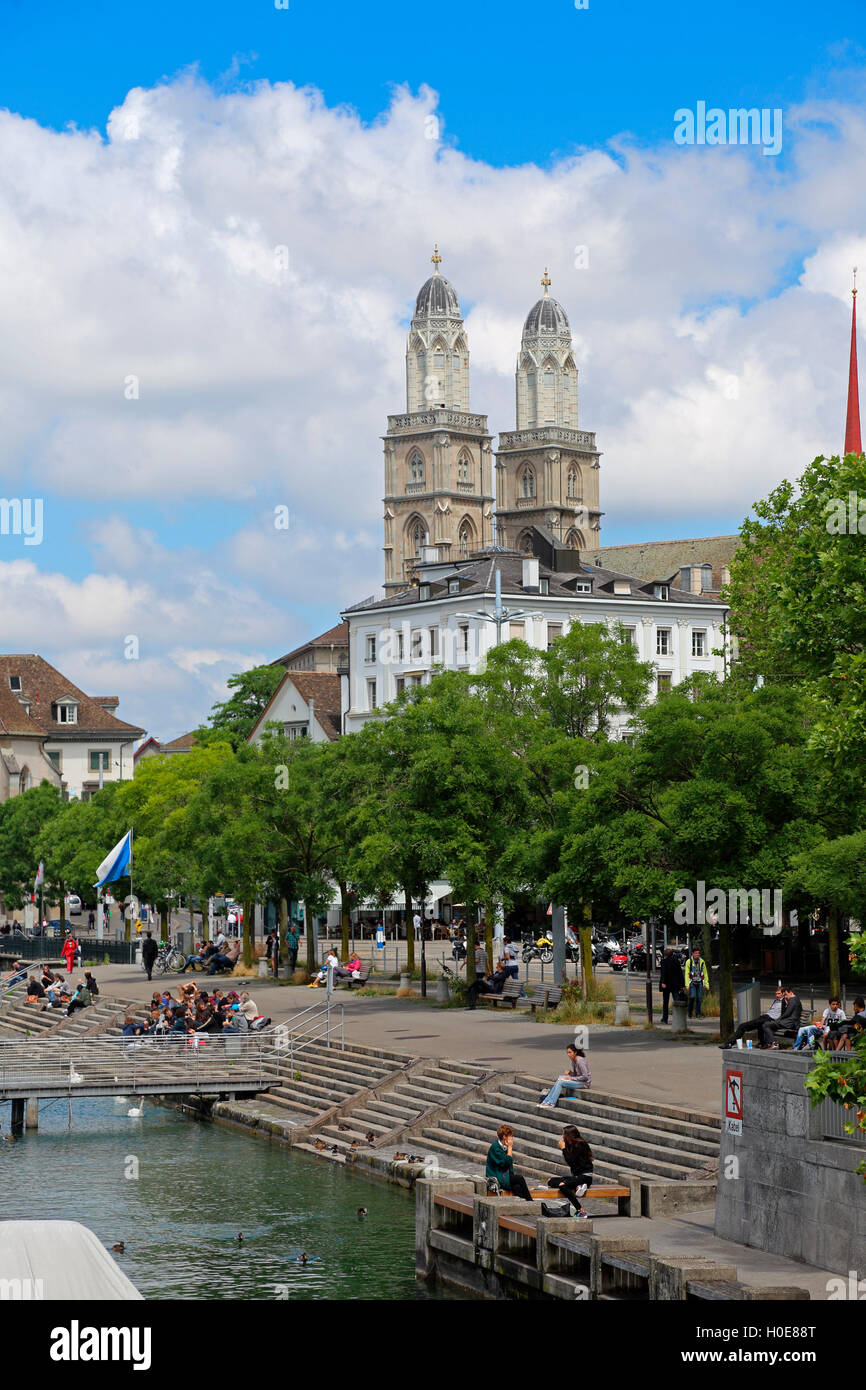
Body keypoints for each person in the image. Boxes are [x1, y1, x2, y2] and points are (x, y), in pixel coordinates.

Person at [547, 1125, 593, 1218]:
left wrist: (563, 1148)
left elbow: (571, 1162)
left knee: (562, 1186)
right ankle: (578, 1186)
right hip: (577, 1177)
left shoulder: (580, 1145)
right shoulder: (572, 1145)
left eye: (563, 1134)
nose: (562, 1136)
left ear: (568, 1135)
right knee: (550, 1181)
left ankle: (580, 1211)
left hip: (585, 1177)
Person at [485, 1124, 533, 1201]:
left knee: (517, 1187)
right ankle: (531, 1202)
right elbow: (506, 1162)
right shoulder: (495, 1147)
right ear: (504, 1137)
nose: (512, 1138)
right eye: (511, 1136)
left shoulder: (504, 1146)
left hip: (505, 1175)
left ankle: (525, 1206)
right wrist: (510, 1147)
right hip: (497, 1176)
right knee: (520, 1178)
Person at [658, 947, 685, 1024]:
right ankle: (678, 1018)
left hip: (666, 985)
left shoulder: (664, 962)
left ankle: (665, 1018)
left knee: (665, 1002)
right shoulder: (676, 961)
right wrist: (682, 984)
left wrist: (663, 982)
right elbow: (680, 973)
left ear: (665, 954)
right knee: (676, 1001)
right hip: (675, 985)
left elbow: (663, 973)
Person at [684, 948, 709, 1018]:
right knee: (692, 997)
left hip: (699, 982)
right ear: (693, 954)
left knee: (699, 998)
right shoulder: (689, 962)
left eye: (698, 953)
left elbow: (705, 973)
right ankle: (690, 1012)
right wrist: (687, 984)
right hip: (692, 982)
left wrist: (707, 984)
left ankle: (698, 1013)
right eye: (696, 953)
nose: (697, 955)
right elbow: (686, 973)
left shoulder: (702, 962)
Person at [467, 939, 490, 1010]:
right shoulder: (485, 952)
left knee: (475, 987)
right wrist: (489, 971)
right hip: (483, 971)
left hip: (477, 971)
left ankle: (473, 1002)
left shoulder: (476, 952)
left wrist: (470, 960)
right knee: (480, 986)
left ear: (475, 945)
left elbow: (476, 960)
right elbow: (487, 963)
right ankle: (477, 1000)